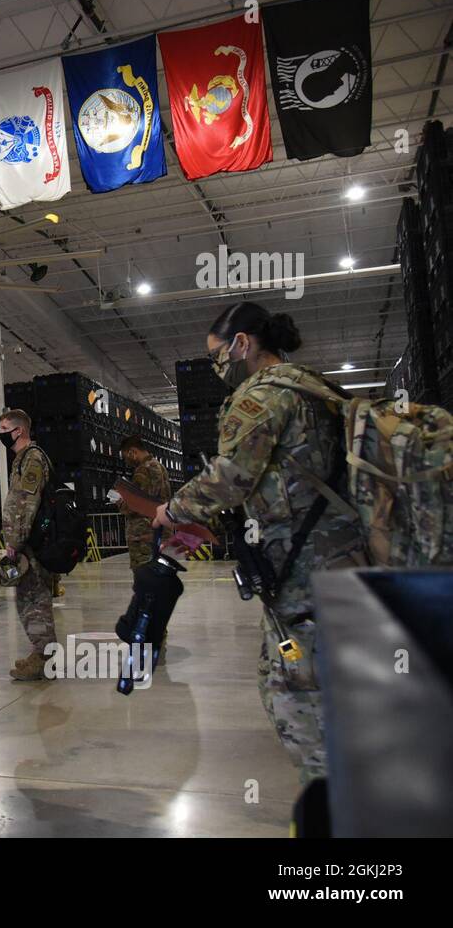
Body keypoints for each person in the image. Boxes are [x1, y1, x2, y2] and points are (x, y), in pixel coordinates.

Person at [152, 303, 365, 783]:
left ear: (242, 344)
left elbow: (231, 476)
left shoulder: (261, 397)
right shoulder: (314, 385)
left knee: (296, 692)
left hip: (305, 570)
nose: (217, 366)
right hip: (338, 557)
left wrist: (174, 510)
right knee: (287, 676)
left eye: (217, 354)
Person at [0, 409, 55, 681]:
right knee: (28, 600)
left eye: (4, 428)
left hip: (31, 544)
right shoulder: (22, 459)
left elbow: (27, 504)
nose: (1, 434)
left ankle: (45, 659)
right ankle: (40, 653)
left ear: (18, 430)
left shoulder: (32, 459)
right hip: (27, 543)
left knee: (36, 601)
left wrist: (15, 542)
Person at [118, 436, 172, 569]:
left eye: (126, 457)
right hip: (156, 529)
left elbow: (137, 504)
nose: (127, 461)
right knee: (153, 571)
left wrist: (120, 502)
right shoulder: (159, 467)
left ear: (133, 452)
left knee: (143, 572)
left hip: (142, 533)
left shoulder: (144, 470)